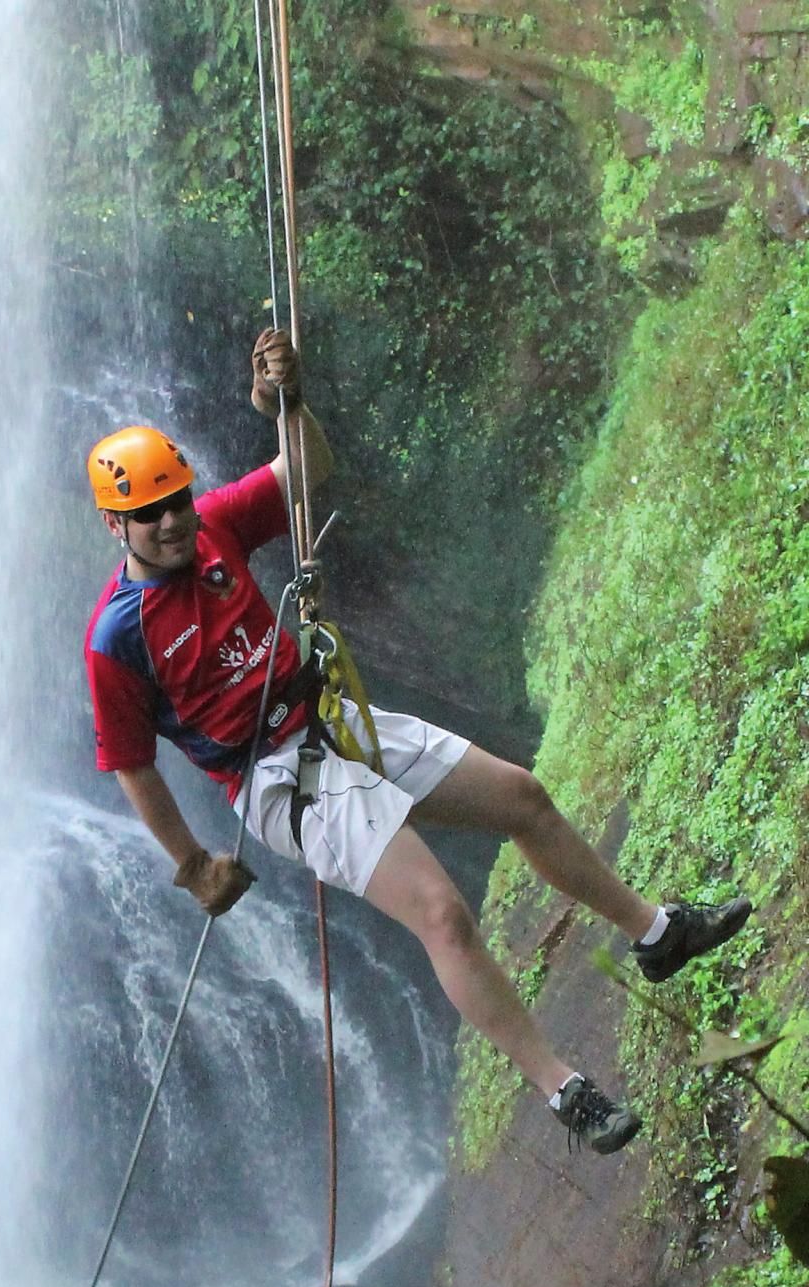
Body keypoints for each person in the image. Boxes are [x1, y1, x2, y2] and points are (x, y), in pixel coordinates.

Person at [81, 328, 751, 1154]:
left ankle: (657, 932)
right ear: (117, 524)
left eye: (177, 500)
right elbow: (130, 763)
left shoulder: (217, 526)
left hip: (332, 714)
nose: (171, 522)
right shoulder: (117, 638)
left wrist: (287, 407)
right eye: (148, 515)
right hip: (280, 781)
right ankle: (563, 1088)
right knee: (443, 912)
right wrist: (192, 865)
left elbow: (306, 472)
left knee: (522, 799)